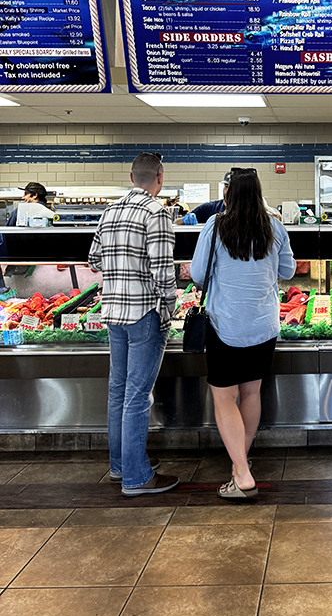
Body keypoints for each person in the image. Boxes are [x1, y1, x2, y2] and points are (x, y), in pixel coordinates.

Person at [190, 167, 296, 500]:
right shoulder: (274, 227)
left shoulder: (214, 226)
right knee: (251, 394)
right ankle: (241, 463)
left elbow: (197, 274)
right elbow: (289, 271)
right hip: (263, 326)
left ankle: (242, 471)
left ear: (227, 193)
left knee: (225, 398)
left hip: (225, 325)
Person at [88, 152, 179, 496]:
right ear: (160, 177)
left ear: (130, 177)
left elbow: (93, 259)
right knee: (138, 396)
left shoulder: (109, 211)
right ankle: (137, 478)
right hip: (144, 313)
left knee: (118, 391)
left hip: (112, 312)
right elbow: (163, 271)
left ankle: (121, 465)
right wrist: (168, 312)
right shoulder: (157, 212)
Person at [177, 168, 281, 225]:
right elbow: (177, 222)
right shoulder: (211, 209)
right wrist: (184, 220)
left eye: (232, 187)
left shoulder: (255, 212)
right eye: (226, 187)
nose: (228, 192)